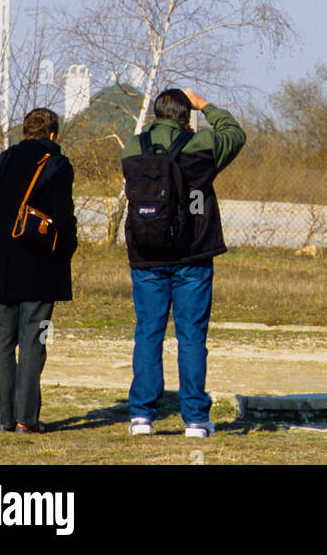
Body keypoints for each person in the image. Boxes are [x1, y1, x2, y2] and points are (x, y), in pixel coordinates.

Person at [121, 87, 245, 438]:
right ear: (186, 114)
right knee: (191, 336)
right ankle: (194, 419)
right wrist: (205, 105)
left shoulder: (134, 149)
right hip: (193, 254)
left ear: (157, 114)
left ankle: (142, 416)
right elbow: (234, 134)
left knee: (148, 332)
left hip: (146, 255)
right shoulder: (201, 147)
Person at [0, 107, 78, 432]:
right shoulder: (58, 165)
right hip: (41, 271)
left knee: (1, 343)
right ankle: (27, 418)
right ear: (53, 134)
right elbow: (63, 220)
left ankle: (5, 418)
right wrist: (65, 251)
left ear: (24, 131)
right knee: (35, 340)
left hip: (2, 269)